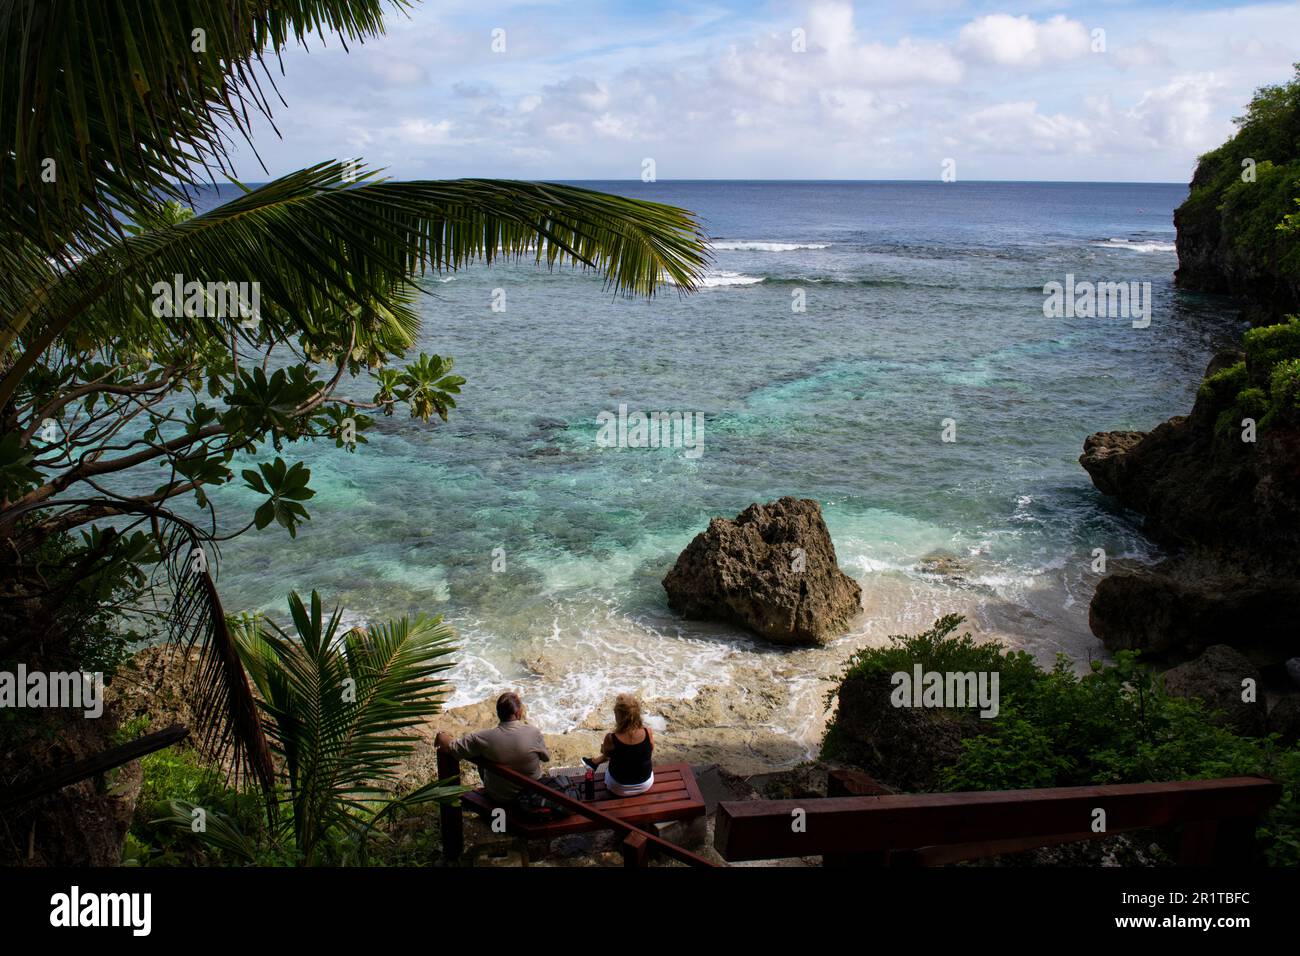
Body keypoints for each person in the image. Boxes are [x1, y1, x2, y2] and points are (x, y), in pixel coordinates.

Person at [435, 691, 552, 804]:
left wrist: (440, 734)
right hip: (531, 795)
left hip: (499, 797)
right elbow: (546, 758)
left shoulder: (482, 737)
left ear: (498, 713)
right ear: (518, 713)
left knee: (482, 755)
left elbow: (450, 747)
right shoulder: (534, 733)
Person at [584, 693, 654, 797]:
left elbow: (606, 754)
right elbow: (650, 750)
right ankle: (594, 762)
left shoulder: (611, 738)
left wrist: (604, 748)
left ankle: (594, 762)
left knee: (612, 756)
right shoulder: (648, 732)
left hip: (619, 788)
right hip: (645, 783)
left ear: (619, 716)